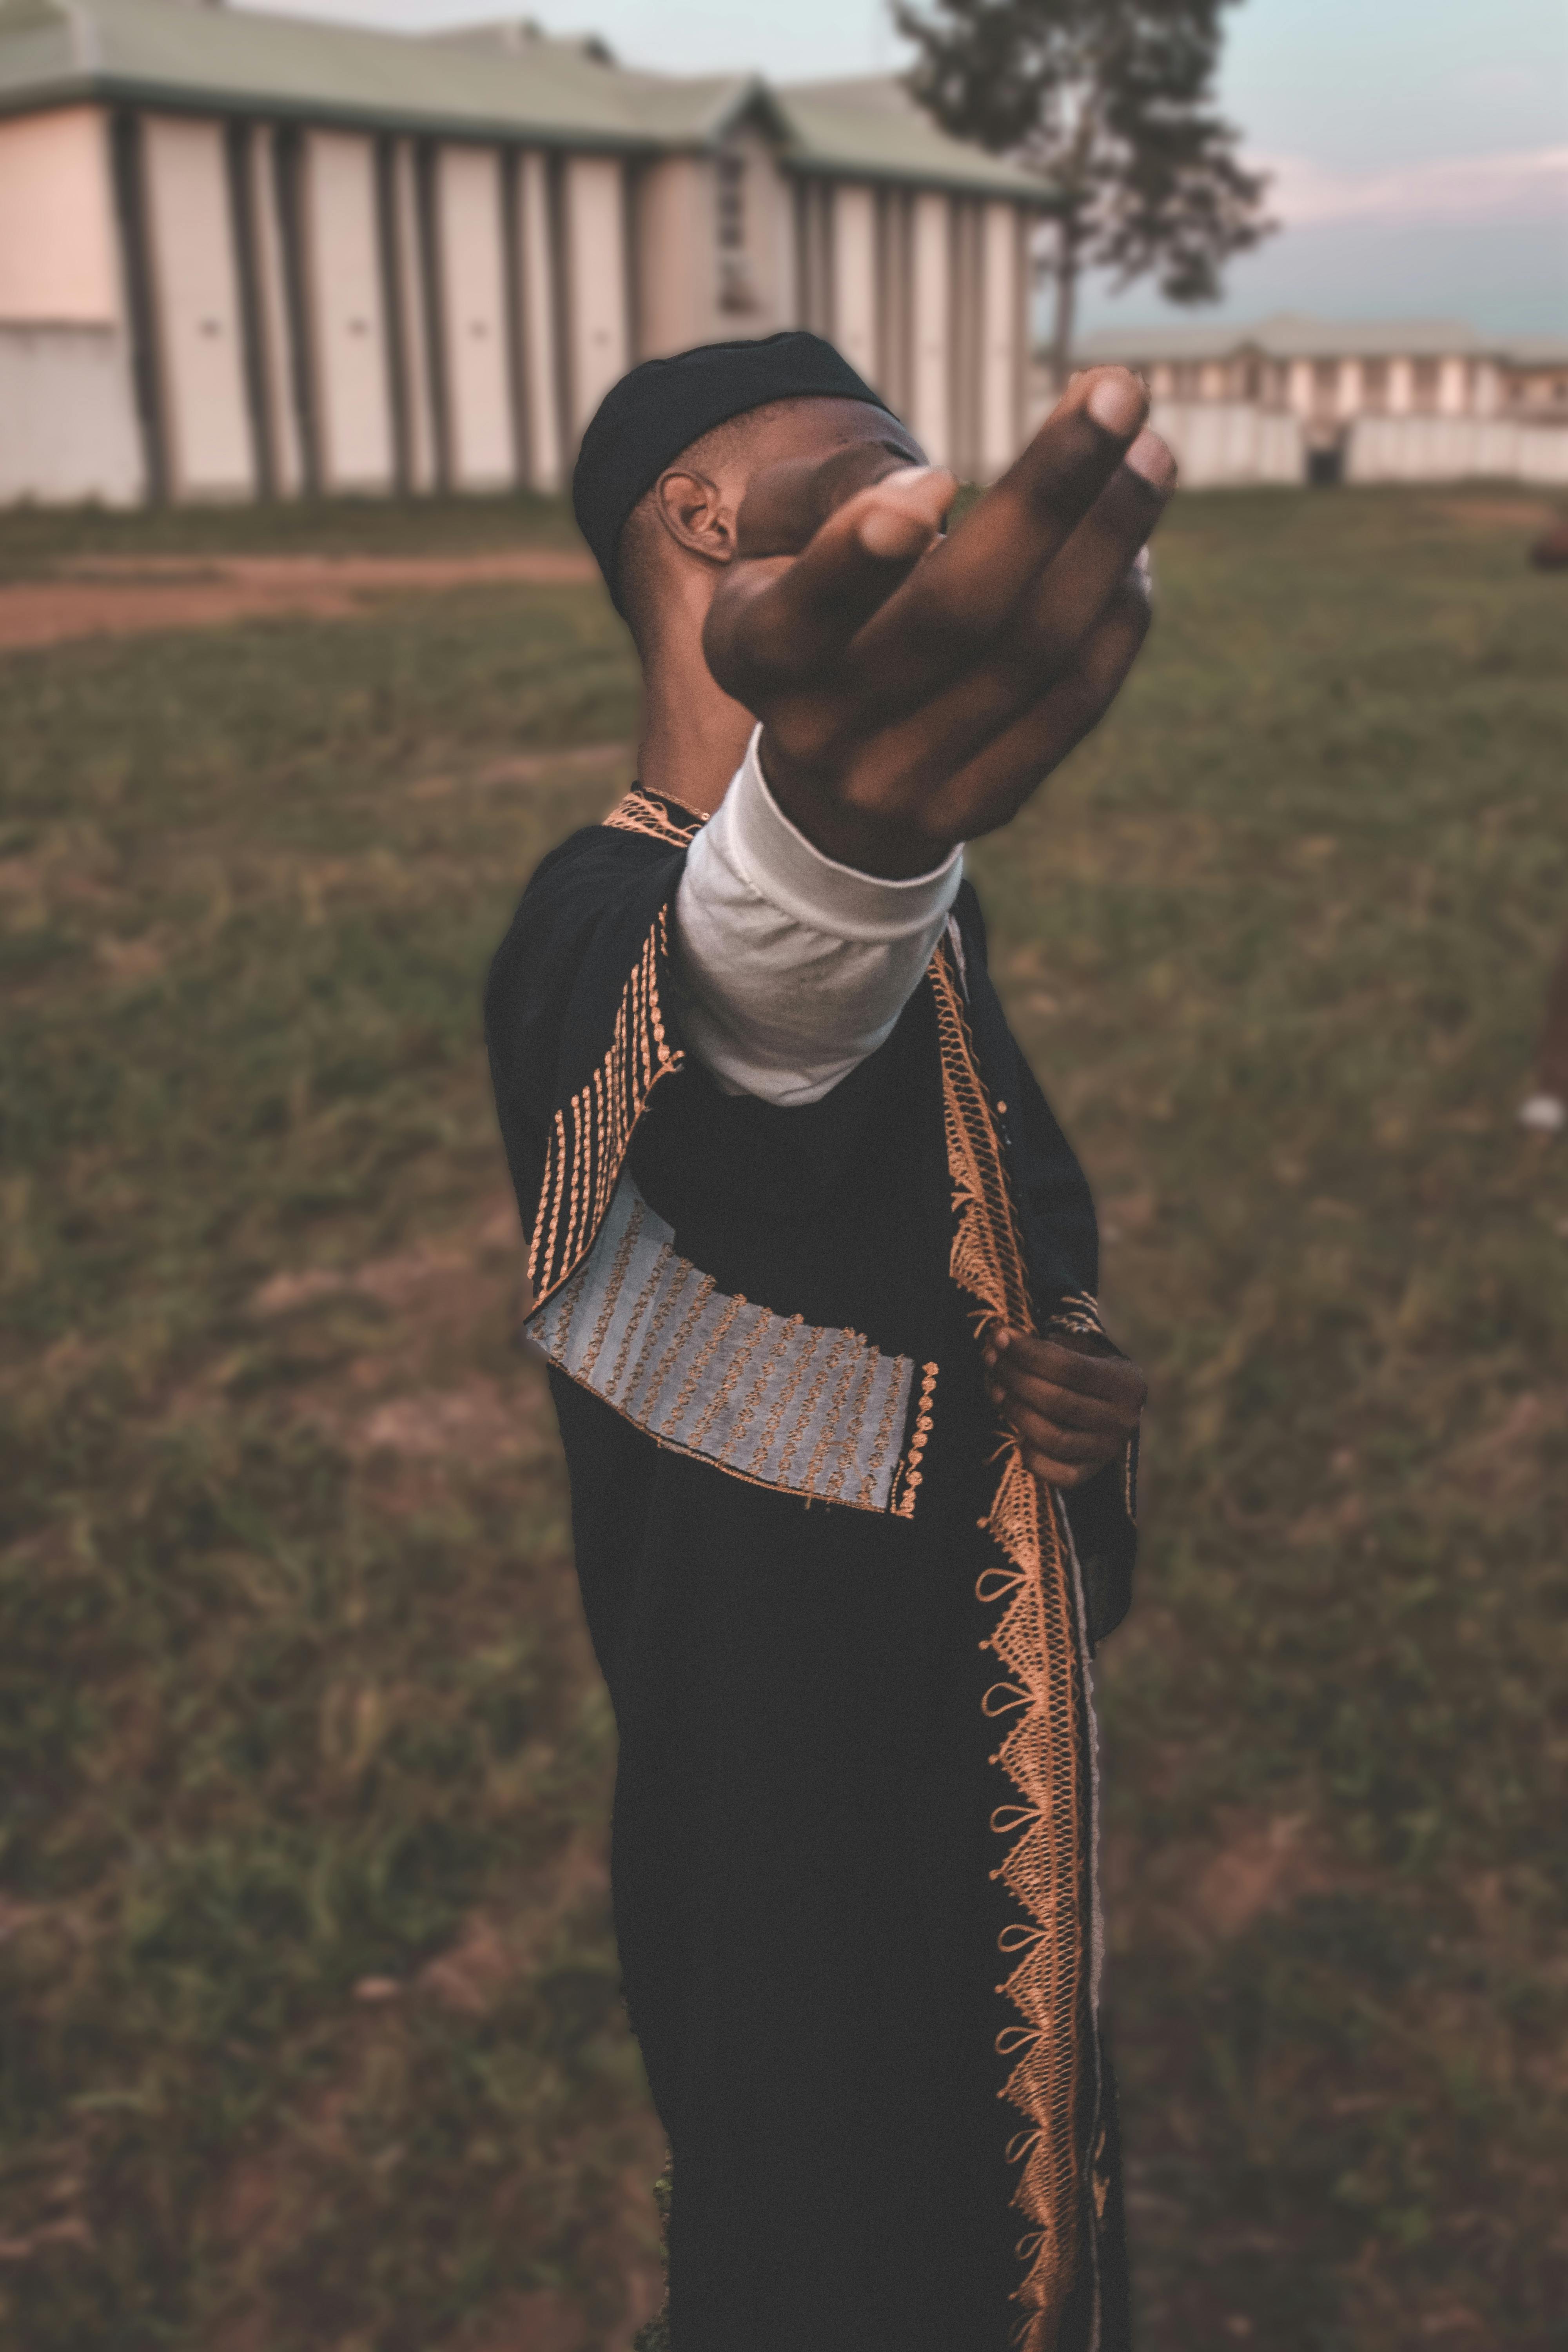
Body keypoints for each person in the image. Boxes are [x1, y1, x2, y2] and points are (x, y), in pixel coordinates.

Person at [485, 332, 1174, 2352]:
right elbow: (742, 1030)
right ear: (701, 513)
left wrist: (1078, 1396)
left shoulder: (938, 916)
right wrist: (830, 856)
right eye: (862, 453)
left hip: (976, 1739)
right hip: (771, 1788)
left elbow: (997, 1231)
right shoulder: (595, 920)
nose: (921, 478)